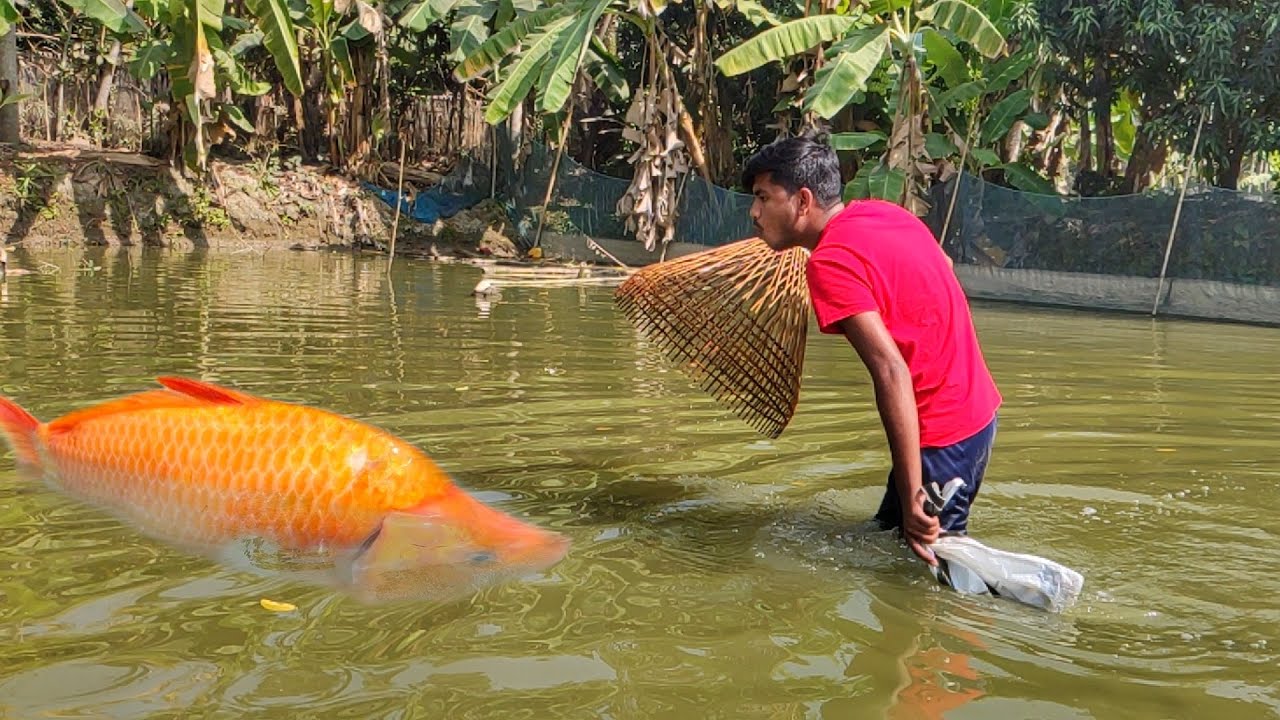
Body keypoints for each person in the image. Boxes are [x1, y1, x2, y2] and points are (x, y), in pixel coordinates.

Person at [741, 128, 1002, 567]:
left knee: (927, 570)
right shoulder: (883, 213)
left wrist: (916, 489)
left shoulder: (828, 263)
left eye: (764, 197)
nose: (754, 211)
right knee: (886, 538)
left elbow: (890, 371)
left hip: (943, 435)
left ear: (803, 201)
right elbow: (945, 266)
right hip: (977, 413)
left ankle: (967, 628)